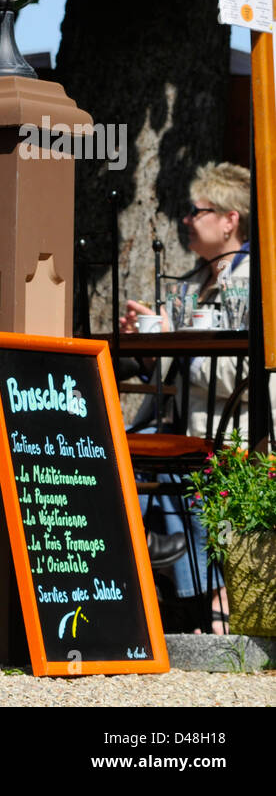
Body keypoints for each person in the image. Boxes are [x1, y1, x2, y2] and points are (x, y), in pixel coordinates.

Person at [119, 161, 268, 633]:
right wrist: (148, 347)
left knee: (182, 470)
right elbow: (171, 374)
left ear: (230, 220)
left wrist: (176, 339)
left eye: (196, 211)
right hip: (178, 427)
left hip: (230, 431)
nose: (186, 220)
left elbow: (250, 373)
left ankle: (204, 598)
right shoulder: (188, 284)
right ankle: (159, 579)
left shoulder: (256, 284)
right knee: (116, 456)